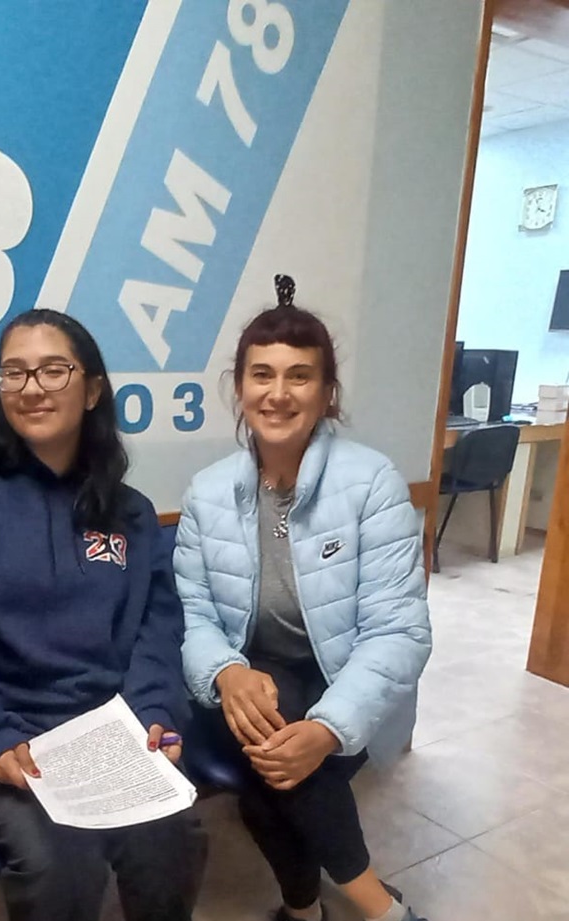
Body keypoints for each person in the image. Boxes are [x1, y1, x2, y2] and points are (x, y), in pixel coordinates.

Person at [0, 308, 207, 921]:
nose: (32, 387)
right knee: (61, 862)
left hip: (109, 735)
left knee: (173, 837)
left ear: (92, 389)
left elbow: (156, 628)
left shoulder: (130, 511)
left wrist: (152, 714)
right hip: (1, 737)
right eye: (14, 373)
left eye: (53, 370)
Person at [175, 275, 432, 921]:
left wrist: (328, 726)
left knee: (272, 781)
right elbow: (197, 616)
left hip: (339, 682)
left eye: (300, 375)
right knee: (272, 739)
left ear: (326, 392)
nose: (279, 392)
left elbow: (399, 630)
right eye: (262, 374)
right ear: (240, 387)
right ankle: (360, 908)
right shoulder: (208, 492)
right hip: (245, 686)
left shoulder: (370, 482)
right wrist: (227, 670)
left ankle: (335, 908)